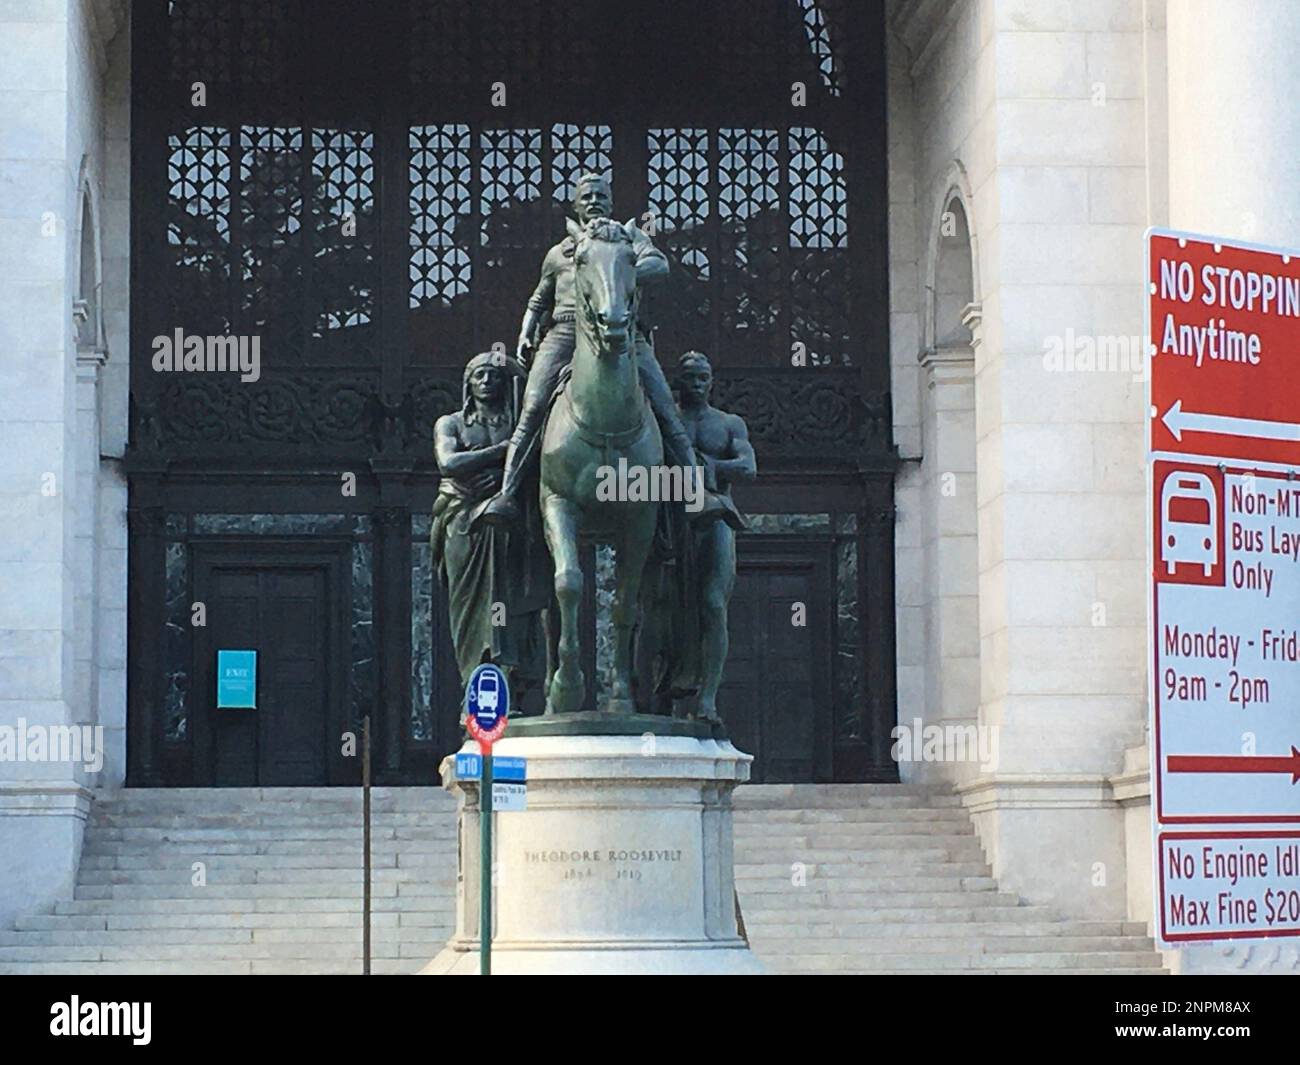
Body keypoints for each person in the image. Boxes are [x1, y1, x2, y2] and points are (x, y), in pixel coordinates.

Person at [473, 172, 727, 528]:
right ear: (575, 206)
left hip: (623, 332)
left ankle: (696, 495)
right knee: (532, 408)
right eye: (587, 196)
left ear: (611, 203)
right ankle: (508, 494)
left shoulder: (630, 238)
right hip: (564, 332)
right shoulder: (558, 252)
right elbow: (538, 298)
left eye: (601, 195)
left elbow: (659, 265)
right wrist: (526, 331)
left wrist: (616, 266)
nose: (594, 201)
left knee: (666, 410)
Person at [431, 351, 549, 688]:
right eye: (479, 375)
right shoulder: (451, 423)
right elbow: (448, 463)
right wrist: (504, 452)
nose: (486, 382)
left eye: (494, 375)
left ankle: (513, 679)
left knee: (515, 606)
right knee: (471, 610)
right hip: (462, 523)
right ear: (468, 383)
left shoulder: (519, 427)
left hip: (512, 530)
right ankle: (477, 682)